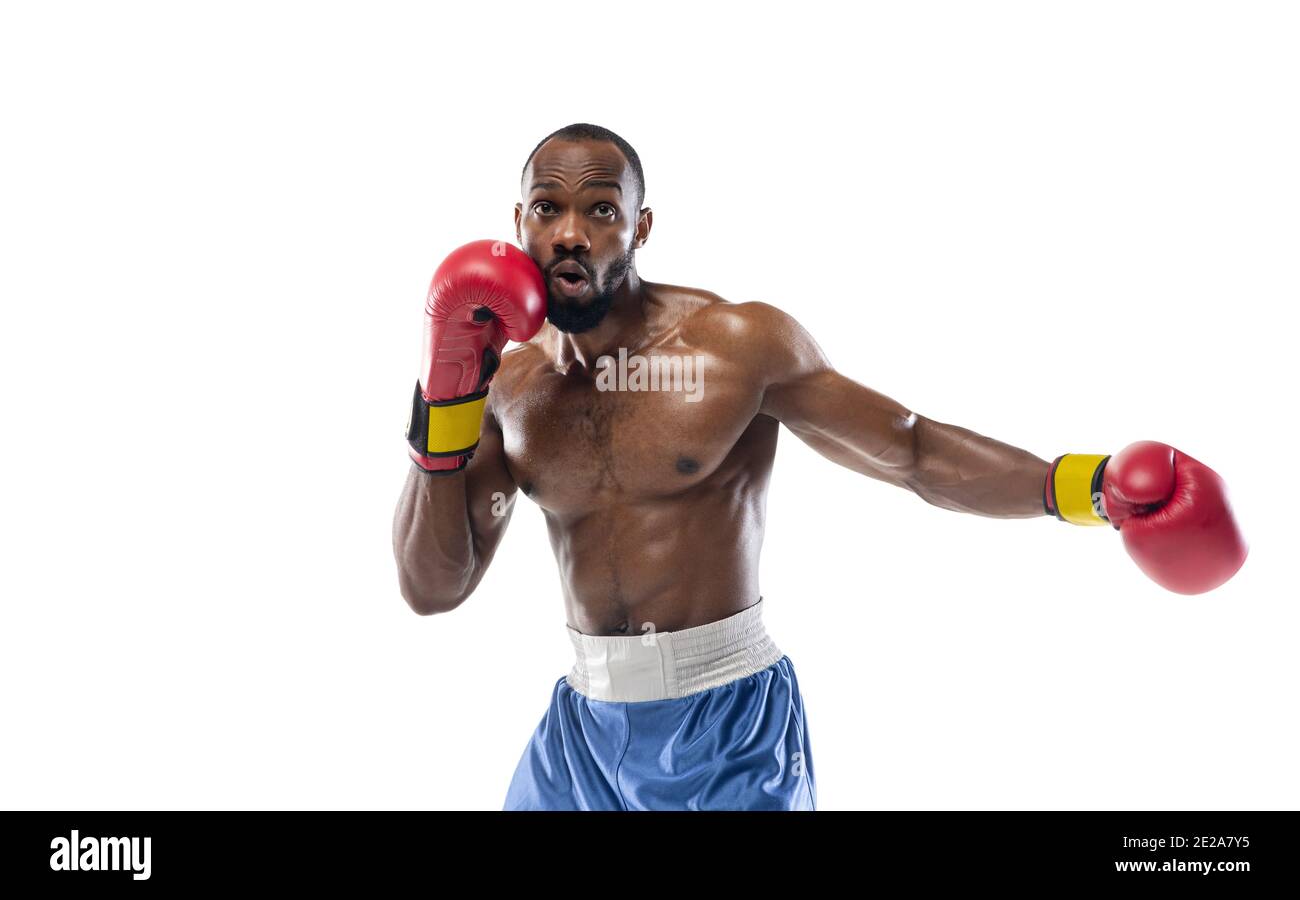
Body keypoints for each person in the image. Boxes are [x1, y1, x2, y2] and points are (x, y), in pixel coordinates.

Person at [391, 124, 1247, 811]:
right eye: (547, 208)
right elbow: (436, 586)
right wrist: (444, 402)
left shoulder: (735, 346)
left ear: (640, 226)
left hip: (721, 727)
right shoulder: (502, 383)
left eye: (602, 210)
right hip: (578, 736)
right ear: (518, 224)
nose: (570, 232)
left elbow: (910, 448)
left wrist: (1085, 488)